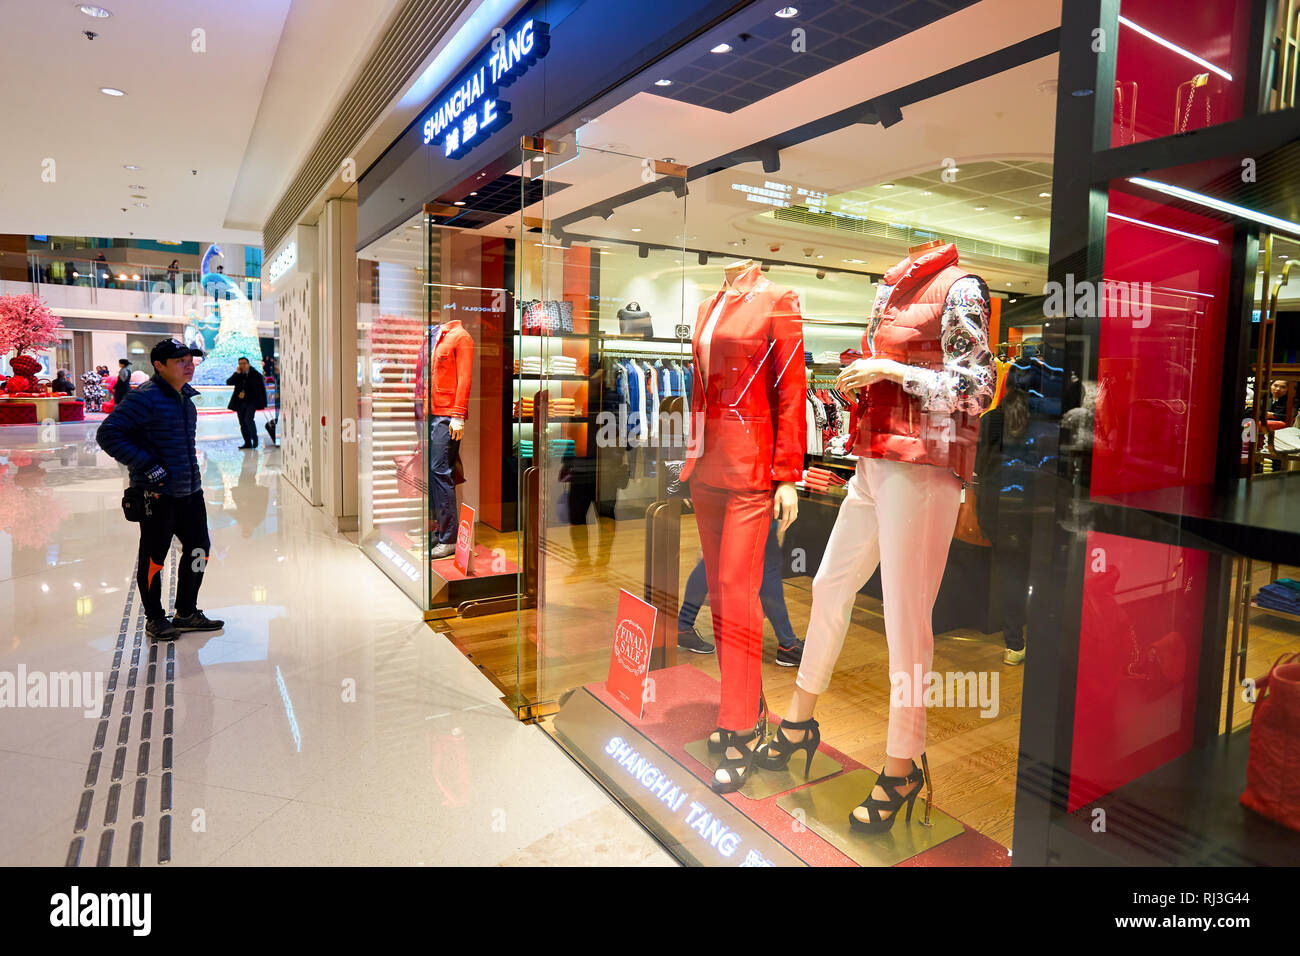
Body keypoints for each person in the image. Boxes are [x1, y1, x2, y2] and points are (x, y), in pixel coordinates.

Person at [96, 338, 224, 640]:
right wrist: (148, 465)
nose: (189, 365)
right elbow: (109, 434)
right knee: (155, 557)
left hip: (190, 490)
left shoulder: (184, 397)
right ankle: (155, 617)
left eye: (190, 360)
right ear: (159, 365)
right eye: (181, 361)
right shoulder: (145, 397)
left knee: (198, 550)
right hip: (156, 495)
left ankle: (187, 612)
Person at [677, 519, 804, 666]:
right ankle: (788, 644)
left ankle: (683, 626)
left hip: (723, 500)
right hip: (751, 501)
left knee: (712, 557)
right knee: (768, 563)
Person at [226, 356, 268, 449]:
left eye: (244, 363)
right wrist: (237, 374)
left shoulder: (256, 374)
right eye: (240, 364)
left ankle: (255, 438)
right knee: (242, 422)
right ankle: (247, 443)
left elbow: (261, 389)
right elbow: (228, 382)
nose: (242, 365)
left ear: (248, 364)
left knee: (248, 419)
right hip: (240, 402)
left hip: (251, 402)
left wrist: (263, 403)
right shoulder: (239, 375)